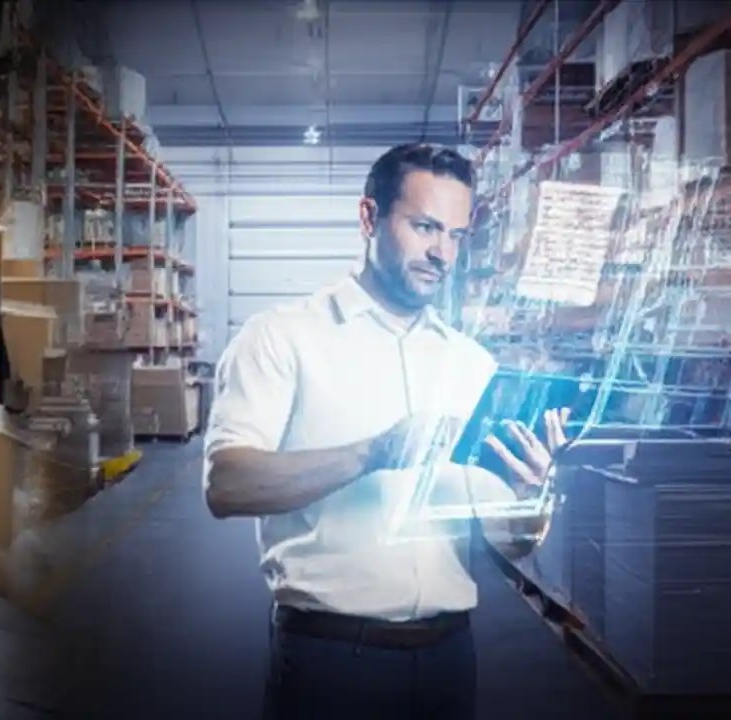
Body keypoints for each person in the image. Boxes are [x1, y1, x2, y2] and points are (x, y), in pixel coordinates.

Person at [203, 143, 570, 720]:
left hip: (450, 659)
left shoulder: (471, 362)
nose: (441, 252)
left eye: (455, 235)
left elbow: (508, 542)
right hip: (331, 662)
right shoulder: (283, 337)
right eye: (425, 226)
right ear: (369, 217)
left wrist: (530, 501)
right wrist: (372, 453)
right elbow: (226, 485)